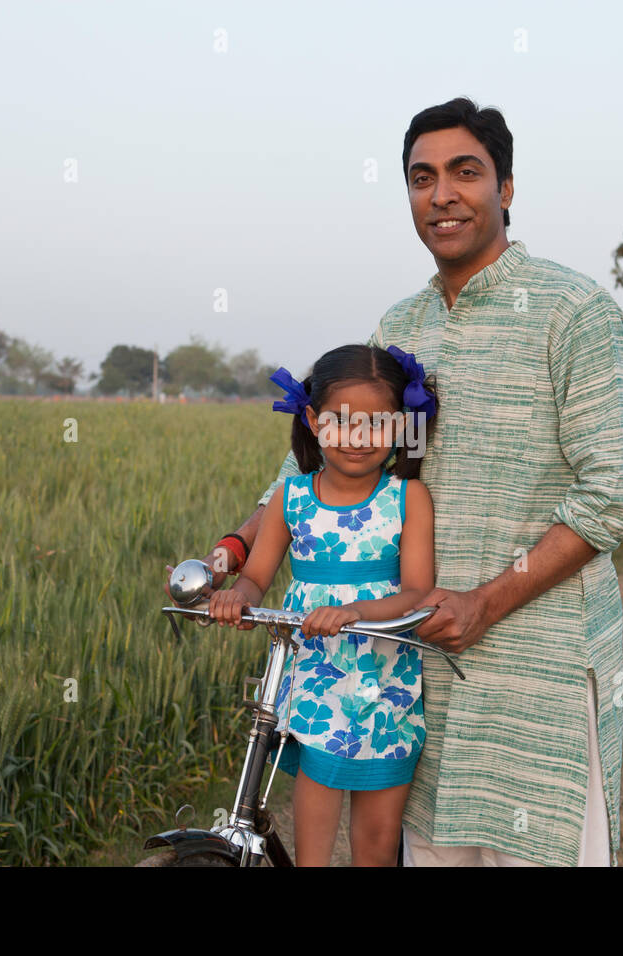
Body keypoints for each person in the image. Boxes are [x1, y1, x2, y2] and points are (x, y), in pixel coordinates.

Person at [172, 97, 623, 867]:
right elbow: (309, 464)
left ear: (507, 187)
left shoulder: (574, 310)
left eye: (466, 172)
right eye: (421, 177)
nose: (442, 195)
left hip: (539, 664)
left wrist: (484, 602)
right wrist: (233, 552)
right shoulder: (401, 326)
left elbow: (615, 490)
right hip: (405, 665)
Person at [202, 343, 440, 867]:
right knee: (313, 844)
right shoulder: (291, 497)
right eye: (342, 422)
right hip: (313, 682)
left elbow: (418, 594)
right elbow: (257, 578)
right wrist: (233, 599)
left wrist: (356, 611)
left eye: (376, 424)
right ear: (312, 420)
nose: (358, 439)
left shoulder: (406, 498)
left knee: (375, 847)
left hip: (385, 689)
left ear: (401, 427)